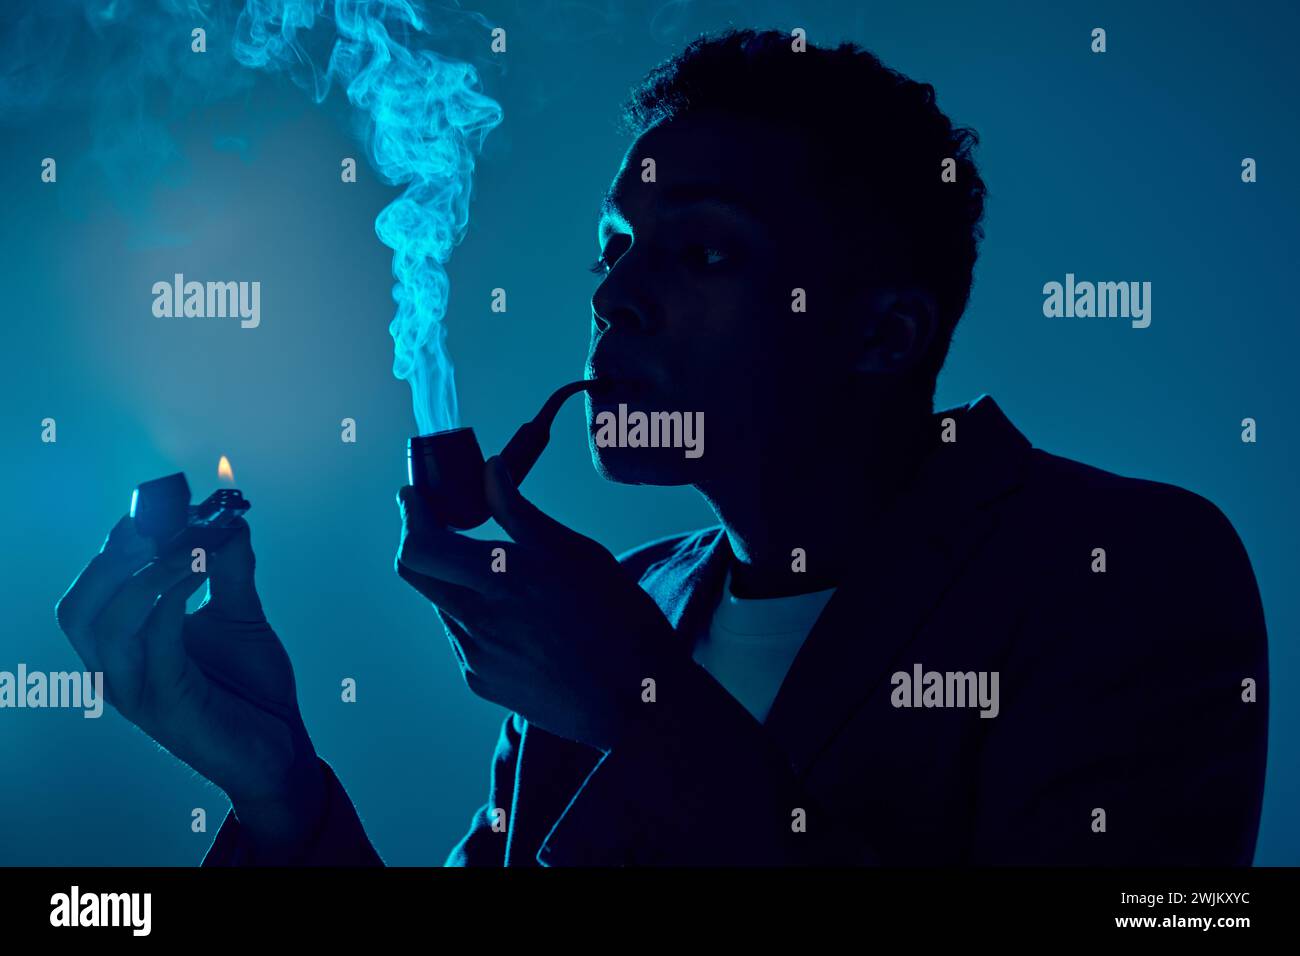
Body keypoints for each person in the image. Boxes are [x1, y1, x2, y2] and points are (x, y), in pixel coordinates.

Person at [56, 28, 1268, 866]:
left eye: (699, 251)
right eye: (613, 246)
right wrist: (278, 786)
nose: (614, 296)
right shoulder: (625, 606)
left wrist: (641, 706)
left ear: (884, 332)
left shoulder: (1122, 568)